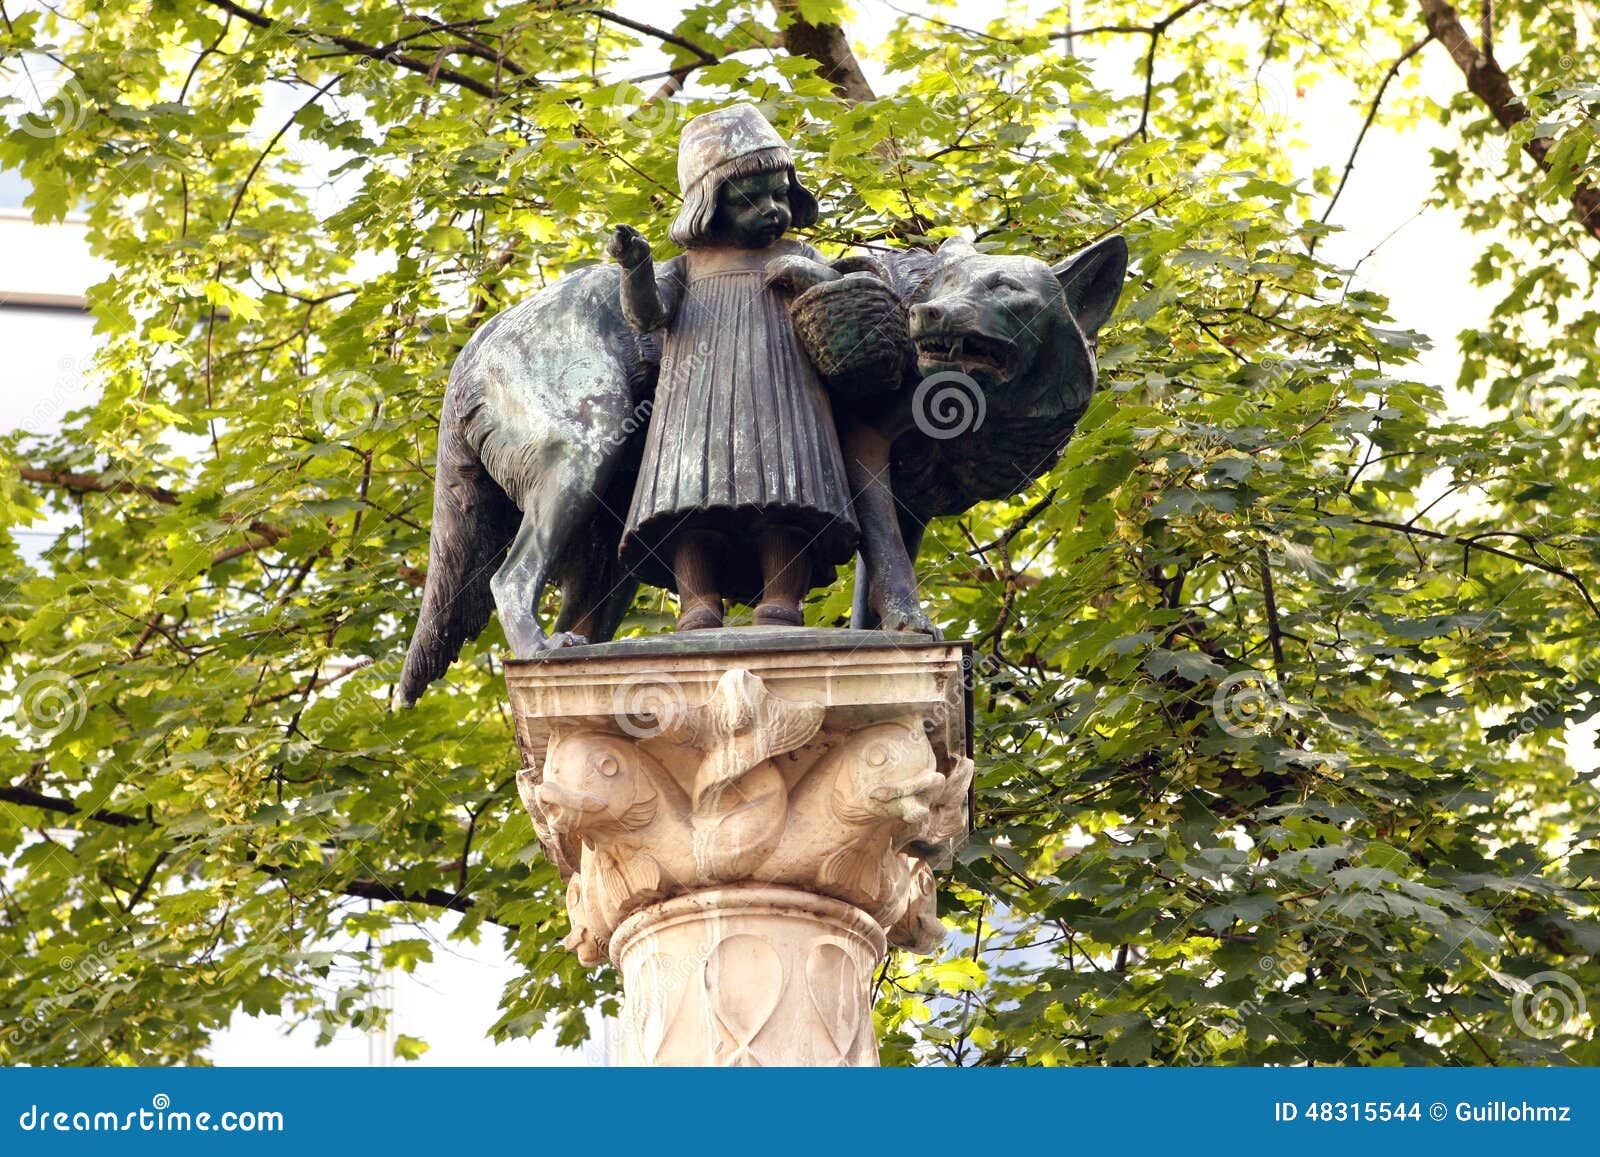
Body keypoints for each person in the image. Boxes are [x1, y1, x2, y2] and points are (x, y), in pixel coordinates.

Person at [610, 105, 858, 630]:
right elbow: (646, 316)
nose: (772, 208)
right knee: (691, 506)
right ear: (710, 204)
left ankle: (782, 600)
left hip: (785, 397)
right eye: (752, 198)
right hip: (695, 405)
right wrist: (635, 269)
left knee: (788, 500)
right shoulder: (690, 266)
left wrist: (811, 275)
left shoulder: (800, 250)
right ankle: (698, 601)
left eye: (779, 193)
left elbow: (840, 306)